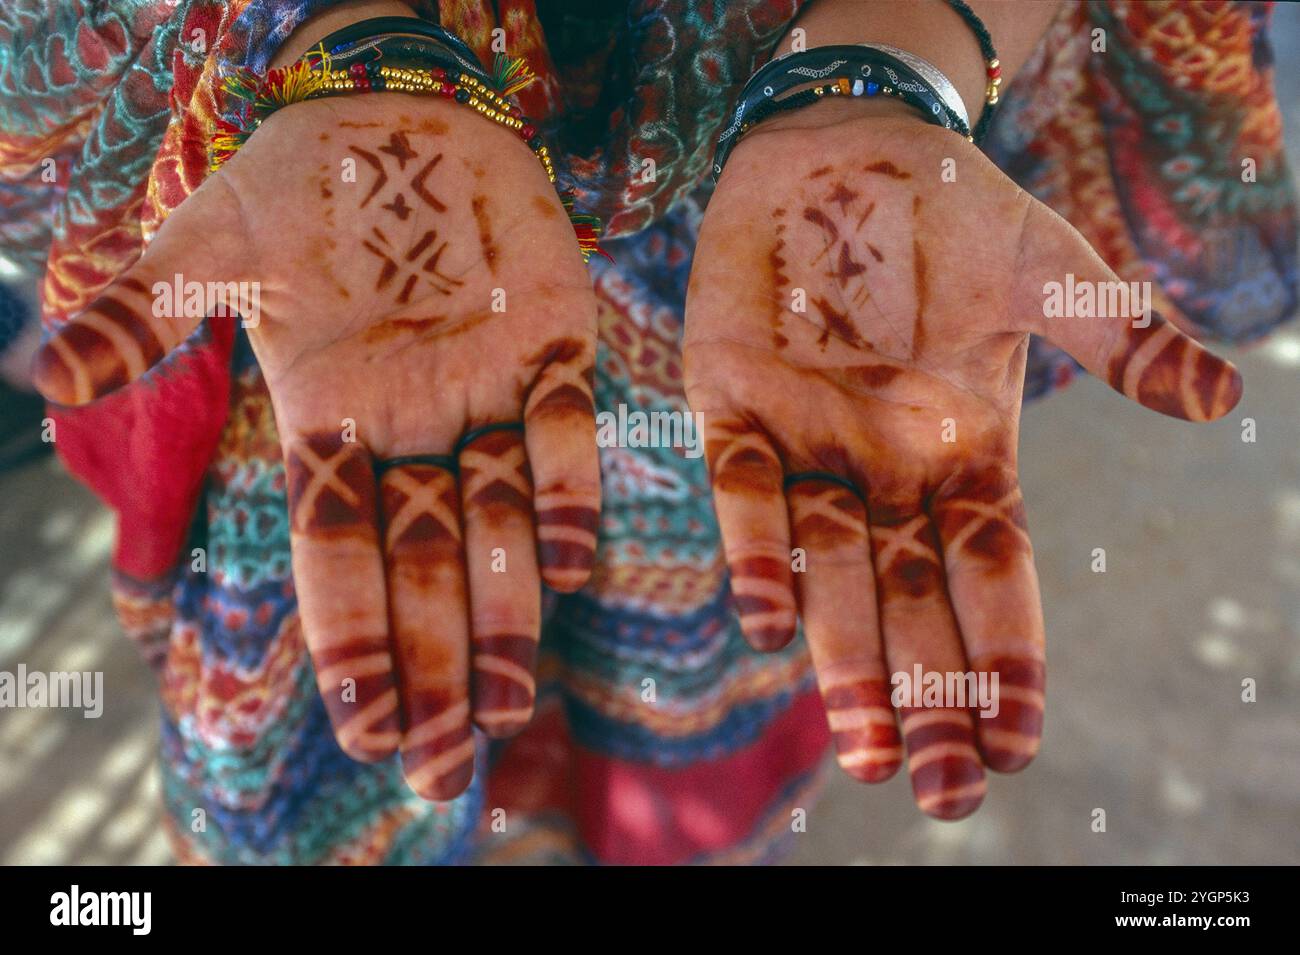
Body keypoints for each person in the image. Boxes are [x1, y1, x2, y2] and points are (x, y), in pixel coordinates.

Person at [3, 0, 1294, 864]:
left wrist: (879, 77)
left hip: (760, 283)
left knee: (701, 608)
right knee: (391, 636)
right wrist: (356, 43)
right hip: (340, 287)